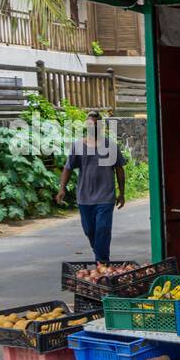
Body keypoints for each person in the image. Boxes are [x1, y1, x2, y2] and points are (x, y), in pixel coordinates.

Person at [56, 112, 126, 262]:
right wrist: (62, 188)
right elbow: (68, 168)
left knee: (103, 229)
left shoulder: (110, 145)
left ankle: (102, 262)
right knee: (89, 230)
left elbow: (120, 169)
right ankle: (100, 256)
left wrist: (122, 193)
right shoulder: (78, 146)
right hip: (84, 197)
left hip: (105, 196)